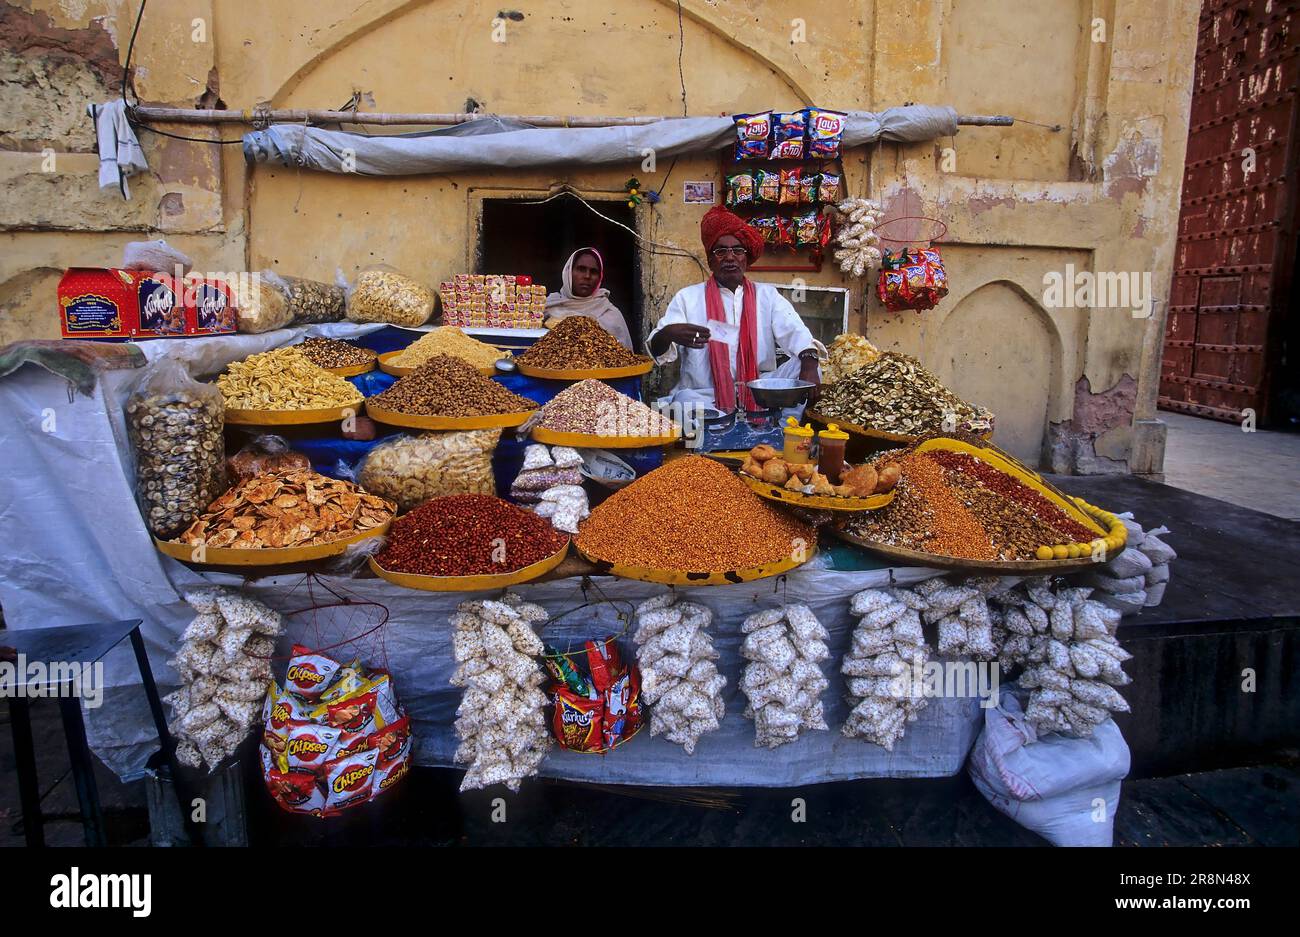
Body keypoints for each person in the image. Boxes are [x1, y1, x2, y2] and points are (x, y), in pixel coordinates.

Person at [647, 206, 821, 411]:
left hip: (760, 392)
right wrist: (668, 334)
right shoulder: (688, 297)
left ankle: (781, 429)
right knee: (684, 401)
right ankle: (722, 427)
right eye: (721, 251)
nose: (730, 257)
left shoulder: (767, 296)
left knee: (810, 366)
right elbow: (658, 350)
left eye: (738, 250)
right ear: (711, 261)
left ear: (746, 259)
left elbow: (796, 333)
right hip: (706, 395)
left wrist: (809, 364)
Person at [543, 247, 633, 350]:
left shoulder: (610, 314)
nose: (587, 276)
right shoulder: (548, 307)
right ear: (569, 272)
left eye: (593, 272)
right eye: (581, 269)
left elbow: (625, 358)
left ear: (600, 277)